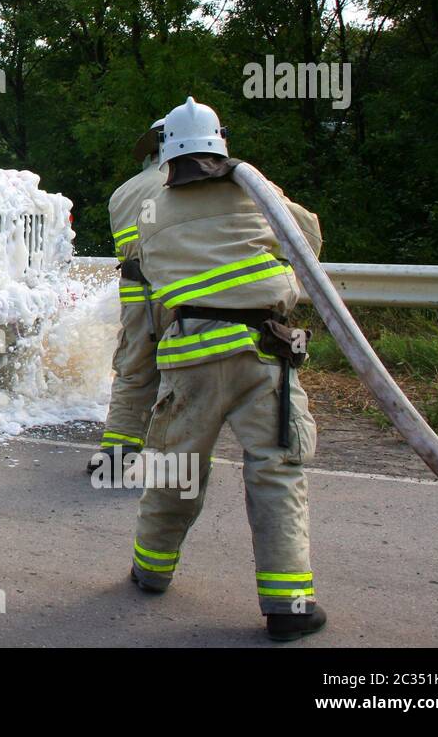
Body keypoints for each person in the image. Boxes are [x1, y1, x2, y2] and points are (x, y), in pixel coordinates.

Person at [128, 97, 326, 642]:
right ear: (222, 142)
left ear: (167, 154)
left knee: (175, 471)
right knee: (277, 470)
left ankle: (151, 571)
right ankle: (289, 608)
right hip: (265, 355)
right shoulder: (257, 194)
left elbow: (148, 276)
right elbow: (308, 243)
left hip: (190, 358)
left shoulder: (154, 211)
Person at [88, 119, 171, 478]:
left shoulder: (122, 193)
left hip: (138, 299)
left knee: (133, 370)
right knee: (186, 373)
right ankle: (174, 458)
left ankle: (118, 453)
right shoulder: (209, 182)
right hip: (187, 293)